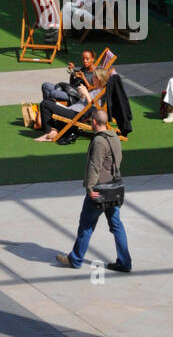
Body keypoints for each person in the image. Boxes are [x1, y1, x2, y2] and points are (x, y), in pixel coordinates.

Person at [55, 110, 131, 272]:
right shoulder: (114, 137)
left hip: (99, 190)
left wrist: (90, 188)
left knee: (86, 225)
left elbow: (94, 167)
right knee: (116, 225)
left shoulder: (98, 142)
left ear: (95, 122)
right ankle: (125, 262)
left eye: (91, 121)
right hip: (114, 189)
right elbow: (118, 160)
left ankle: (75, 259)